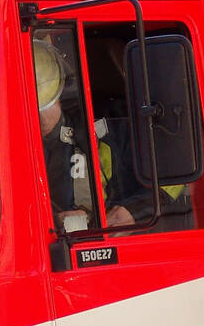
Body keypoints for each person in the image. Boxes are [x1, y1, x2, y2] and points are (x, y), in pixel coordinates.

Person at [31, 39, 134, 232]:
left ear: (59, 93)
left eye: (43, 101)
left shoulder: (103, 131)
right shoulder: (0, 152)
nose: (37, 115)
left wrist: (132, 211)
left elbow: (162, 183)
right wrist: (54, 221)